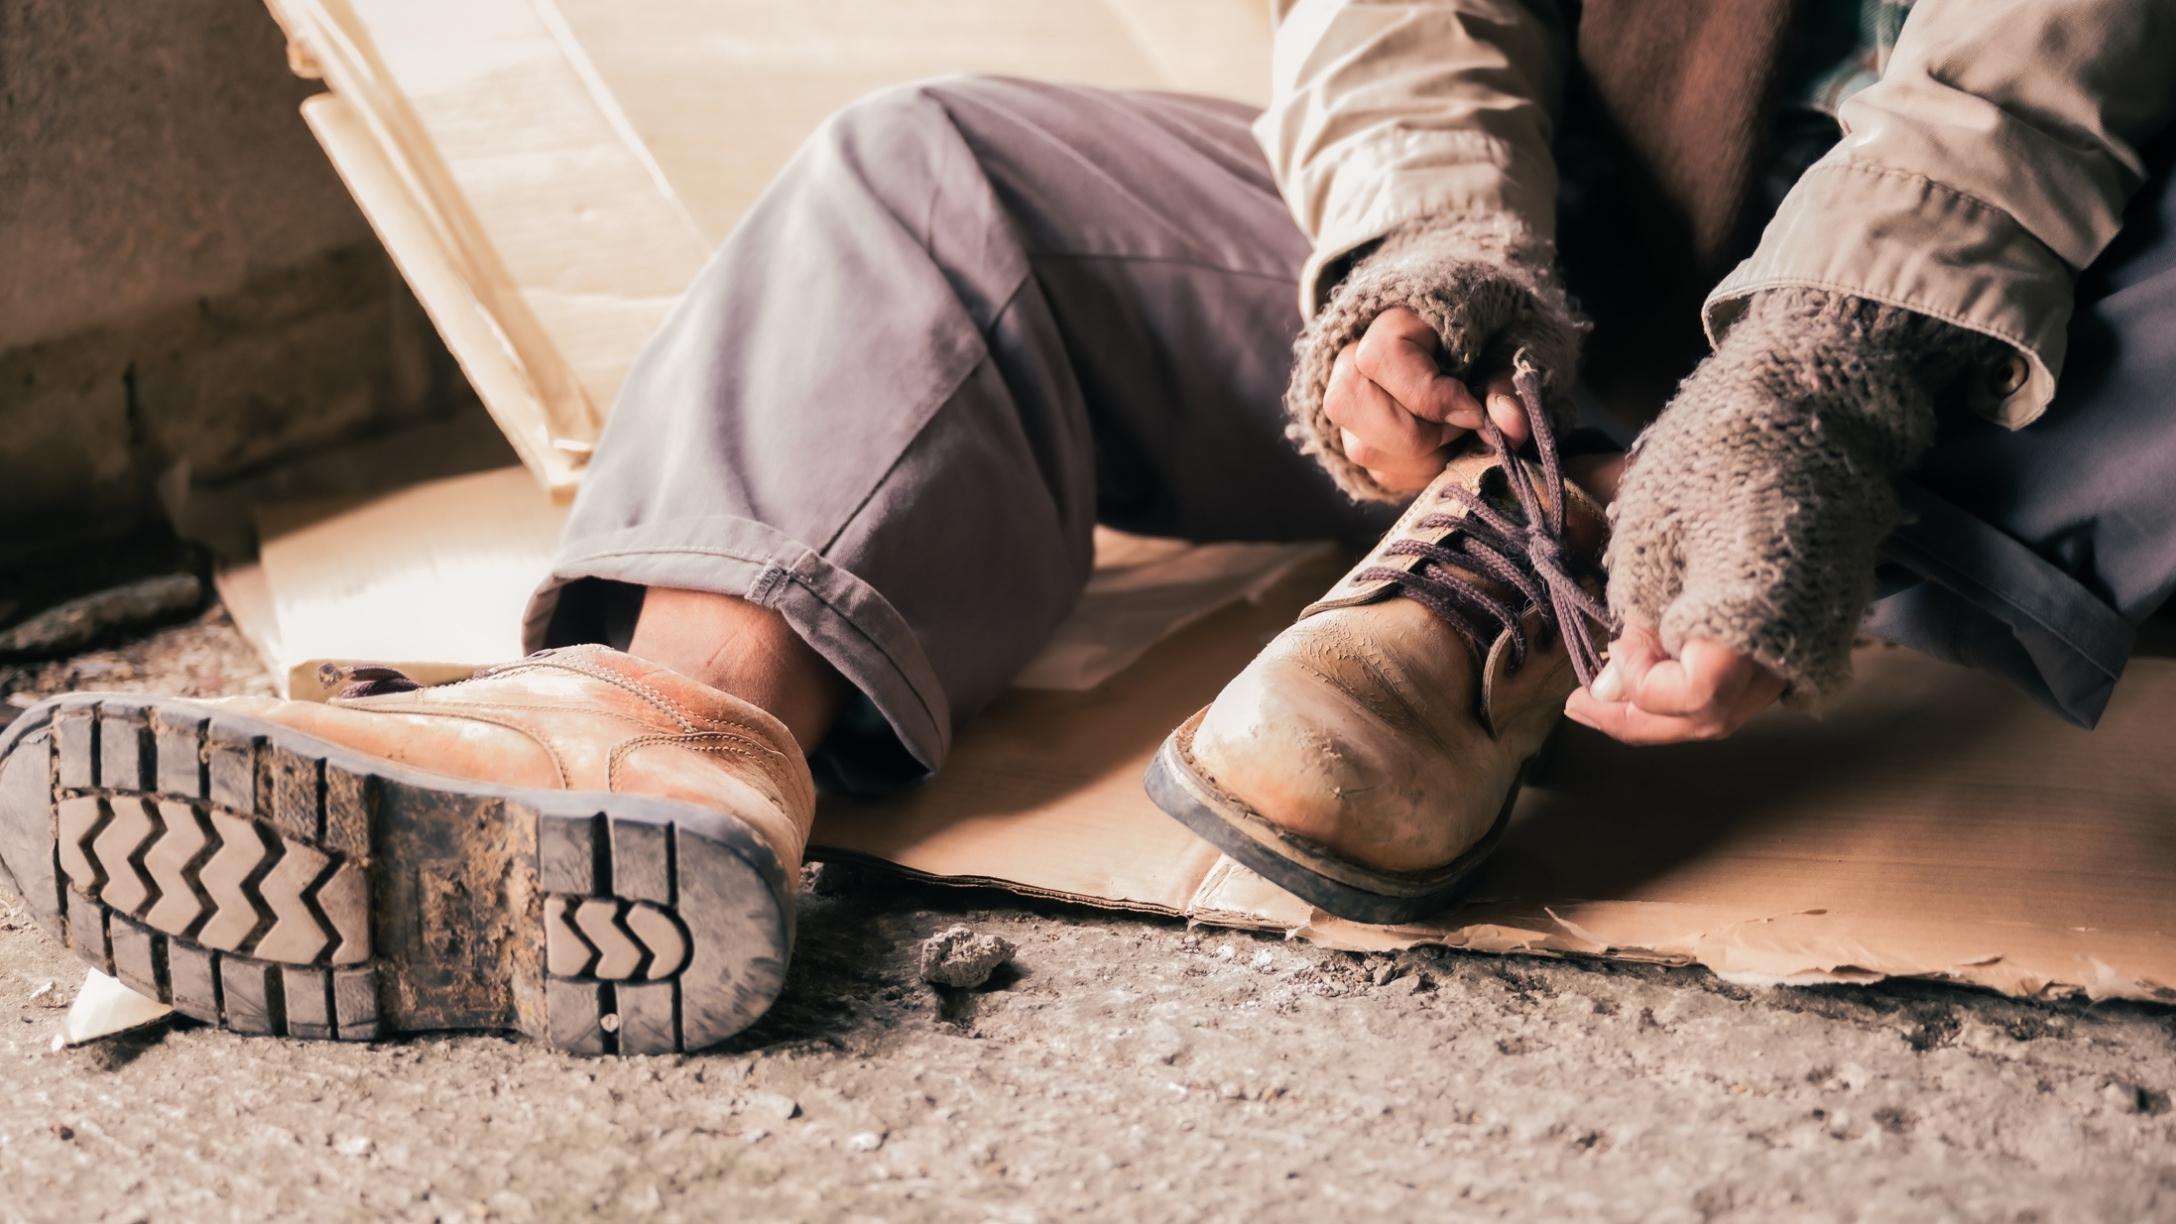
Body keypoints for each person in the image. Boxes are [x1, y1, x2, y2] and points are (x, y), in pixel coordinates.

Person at [3, 0, 2171, 1050]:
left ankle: (1572, 537)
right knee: (928, 174)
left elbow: (2040, 57)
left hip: (2033, 279)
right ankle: (664, 729)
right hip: (1592, 248)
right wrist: (1417, 248)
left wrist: (1827, 362)